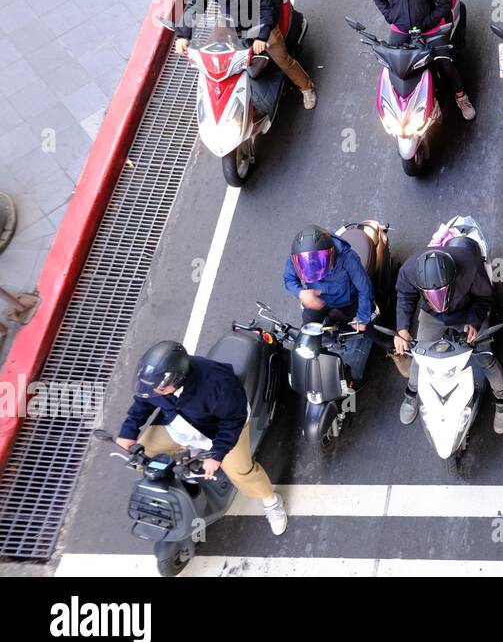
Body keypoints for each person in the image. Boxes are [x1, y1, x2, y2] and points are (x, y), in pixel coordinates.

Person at [116, 340, 288, 535]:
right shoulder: (156, 383)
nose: (154, 392)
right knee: (142, 458)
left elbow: (233, 421)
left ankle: (271, 501)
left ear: (177, 380)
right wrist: (128, 432)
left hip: (218, 429)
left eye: (159, 390)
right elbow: (143, 401)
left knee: (241, 472)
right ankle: (178, 483)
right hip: (178, 423)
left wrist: (217, 454)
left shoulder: (218, 384)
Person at [176, 0, 315, 109]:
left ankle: (306, 87)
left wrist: (261, 36)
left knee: (283, 60)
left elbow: (266, 9)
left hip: (259, 23)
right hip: (232, 21)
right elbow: (195, 5)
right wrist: (183, 35)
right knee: (211, 54)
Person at [392, 245, 503, 433]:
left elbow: (484, 298)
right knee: (420, 357)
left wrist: (474, 323)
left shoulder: (471, 266)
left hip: (467, 313)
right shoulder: (408, 271)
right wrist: (402, 329)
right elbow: (405, 296)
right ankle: (411, 393)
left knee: (485, 357)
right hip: (432, 316)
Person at [372, 0, 475, 120]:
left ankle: (461, 98)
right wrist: (391, 16)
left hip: (430, 29)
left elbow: (444, 3)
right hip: (401, 29)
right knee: (394, 67)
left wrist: (427, 23)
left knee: (446, 65)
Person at [282, 225, 376, 385]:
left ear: (331, 253)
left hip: (348, 301)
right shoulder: (298, 257)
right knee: (307, 333)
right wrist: (301, 293)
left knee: (372, 331)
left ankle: (394, 349)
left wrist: (362, 317)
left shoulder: (347, 258)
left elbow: (365, 289)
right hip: (318, 300)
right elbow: (289, 279)